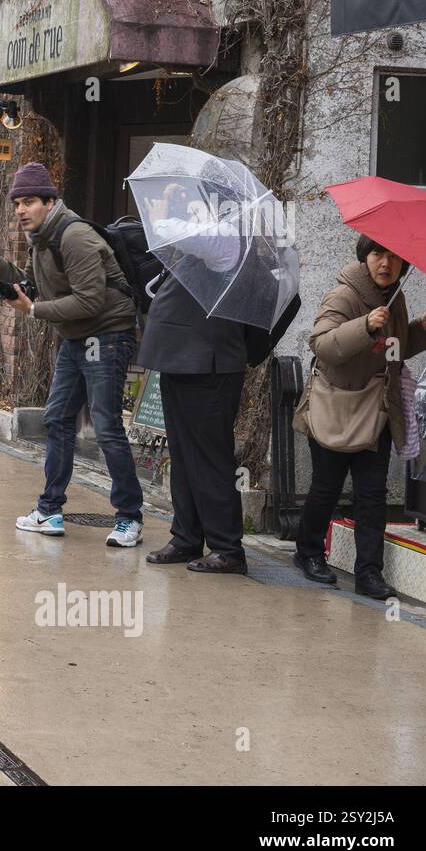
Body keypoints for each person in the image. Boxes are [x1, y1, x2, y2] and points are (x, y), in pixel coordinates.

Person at [0, 162, 144, 548]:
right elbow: (29, 283)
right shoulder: (41, 240)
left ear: (50, 201)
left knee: (106, 424)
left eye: (29, 201)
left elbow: (89, 300)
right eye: (17, 203)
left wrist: (32, 311)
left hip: (107, 336)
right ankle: (50, 510)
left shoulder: (75, 236)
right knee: (58, 419)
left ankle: (130, 517)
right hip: (75, 338)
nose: (20, 210)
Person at [292, 237, 426, 598]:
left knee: (372, 495)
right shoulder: (343, 295)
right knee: (326, 487)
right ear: (365, 257)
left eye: (394, 256)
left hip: (377, 411)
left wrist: (423, 325)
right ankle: (308, 552)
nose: (386, 264)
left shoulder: (397, 299)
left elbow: (395, 350)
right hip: (337, 407)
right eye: (377, 254)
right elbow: (322, 344)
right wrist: (365, 326)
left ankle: (368, 573)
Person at [138, 183, 259, 575]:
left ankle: (227, 549)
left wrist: (161, 208)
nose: (195, 205)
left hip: (209, 366)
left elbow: (175, 231)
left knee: (210, 459)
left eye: (201, 199)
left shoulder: (224, 237)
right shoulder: (204, 240)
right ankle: (187, 536)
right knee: (185, 456)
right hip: (183, 364)